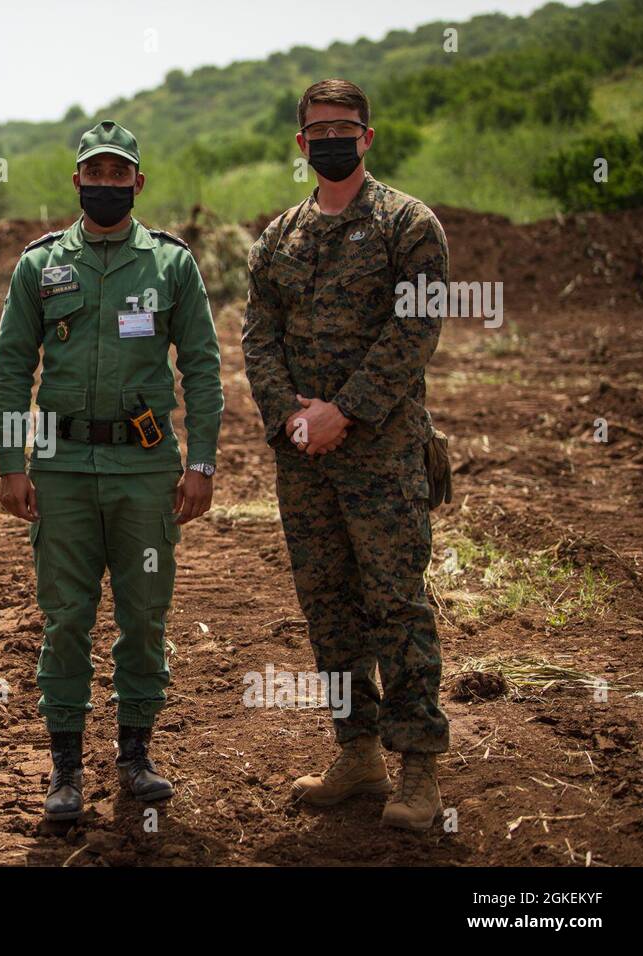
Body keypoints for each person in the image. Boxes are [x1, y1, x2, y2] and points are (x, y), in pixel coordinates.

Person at [0, 120, 223, 822]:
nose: (106, 185)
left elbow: (204, 368)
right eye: (94, 173)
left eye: (119, 175)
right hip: (60, 470)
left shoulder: (171, 265)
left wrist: (202, 462)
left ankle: (135, 754)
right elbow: (10, 370)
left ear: (138, 184)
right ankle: (64, 768)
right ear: (78, 182)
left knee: (144, 616)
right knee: (66, 619)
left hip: (144, 468)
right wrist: (10, 463)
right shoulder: (39, 265)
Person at [241, 79, 451, 830]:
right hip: (303, 458)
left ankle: (418, 768)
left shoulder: (408, 224)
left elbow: (415, 331)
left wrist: (345, 410)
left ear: (367, 137)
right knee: (328, 608)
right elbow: (257, 333)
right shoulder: (279, 236)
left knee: (395, 604)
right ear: (302, 144)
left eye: (345, 127)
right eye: (317, 129)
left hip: (384, 454)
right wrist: (290, 415)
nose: (330, 138)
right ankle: (356, 750)